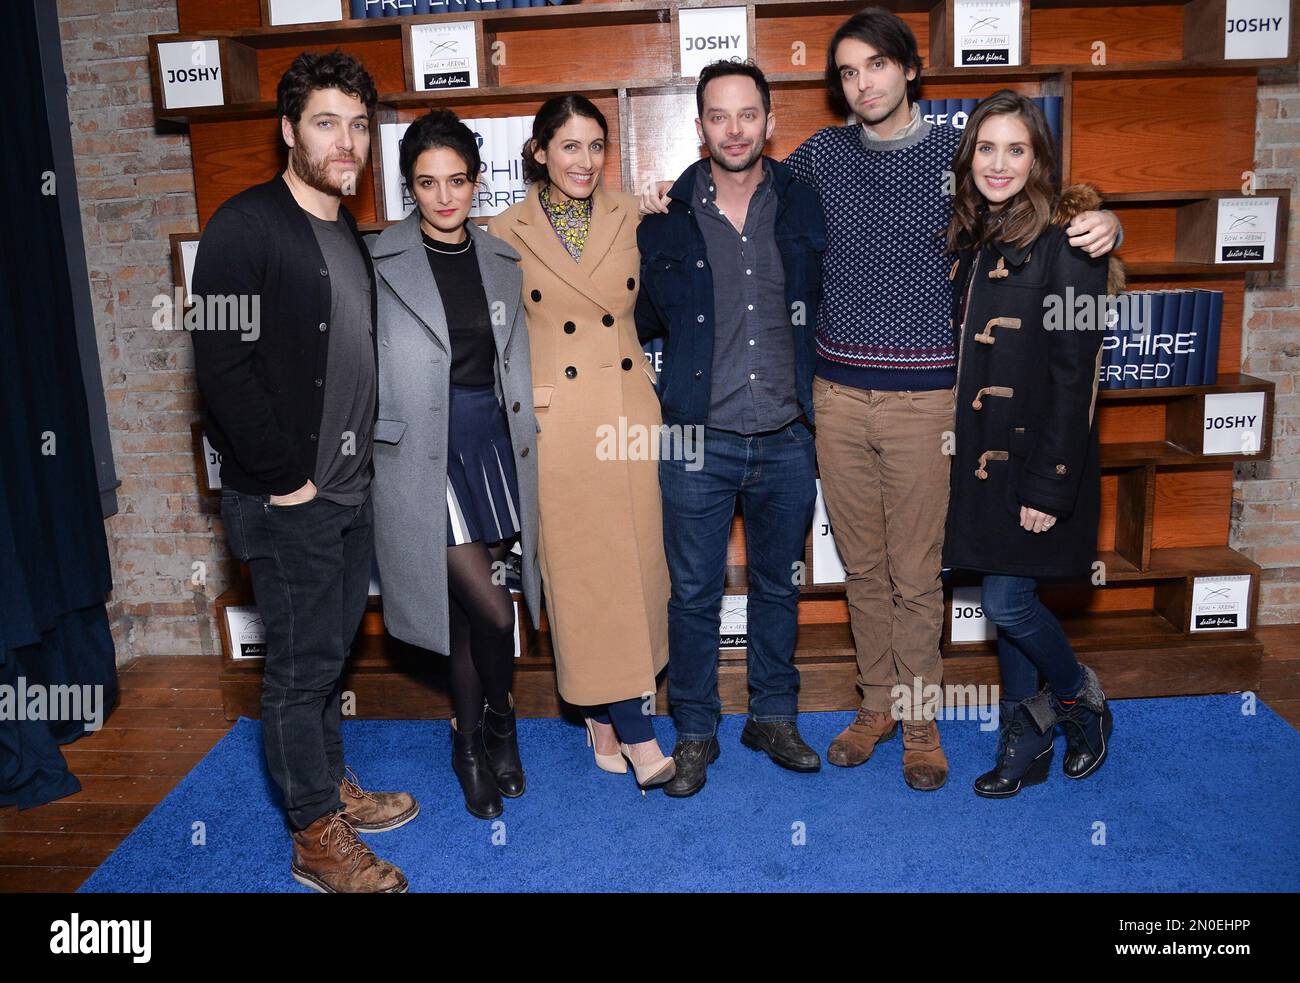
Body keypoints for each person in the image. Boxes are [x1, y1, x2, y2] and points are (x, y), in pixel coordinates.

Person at [641, 6, 1123, 791]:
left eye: (876, 65)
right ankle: (875, 707)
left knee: (915, 573)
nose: (862, 83)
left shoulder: (957, 152)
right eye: (848, 71)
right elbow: (739, 180)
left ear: (909, 70)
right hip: (832, 395)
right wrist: (672, 188)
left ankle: (921, 720)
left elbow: (1030, 197)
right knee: (862, 568)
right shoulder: (822, 157)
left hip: (929, 403)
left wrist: (1101, 218)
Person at [191, 51, 415, 893]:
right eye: (327, 123)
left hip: (347, 492)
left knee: (326, 661)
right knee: (295, 670)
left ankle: (329, 789)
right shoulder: (241, 226)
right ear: (288, 130)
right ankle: (313, 837)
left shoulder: (345, 231)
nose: (346, 142)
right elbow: (221, 365)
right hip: (288, 496)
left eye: (359, 126)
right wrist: (289, 479)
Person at [635, 61, 827, 798]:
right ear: (700, 126)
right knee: (693, 593)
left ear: (770, 121)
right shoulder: (666, 216)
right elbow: (646, 319)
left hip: (787, 433)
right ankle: (694, 730)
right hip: (696, 437)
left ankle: (773, 716)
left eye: (749, 114)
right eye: (720, 115)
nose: (736, 129)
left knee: (779, 584)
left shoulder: (806, 203)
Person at [487, 96, 675, 792]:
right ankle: (634, 725)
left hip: (627, 413)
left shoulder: (635, 214)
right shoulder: (502, 232)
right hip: (558, 426)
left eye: (596, 146)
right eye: (568, 146)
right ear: (538, 152)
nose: (584, 161)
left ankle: (606, 712)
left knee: (633, 573)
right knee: (585, 577)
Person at [943, 90, 1119, 796]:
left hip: (1043, 461)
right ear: (970, 156)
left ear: (1038, 159)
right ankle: (1026, 734)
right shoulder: (971, 235)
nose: (999, 162)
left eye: (1016, 149)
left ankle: (1078, 701)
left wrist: (1050, 484)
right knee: (1004, 595)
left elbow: (1078, 377)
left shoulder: (1071, 242)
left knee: (1010, 604)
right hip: (982, 460)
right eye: (986, 147)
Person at [368, 110, 542, 820]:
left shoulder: (500, 258)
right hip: (419, 456)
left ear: (476, 181)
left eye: (458, 180)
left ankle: (480, 737)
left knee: (473, 618)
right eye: (428, 183)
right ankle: (486, 733)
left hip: (489, 442)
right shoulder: (376, 257)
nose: (445, 196)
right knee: (495, 611)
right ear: (409, 186)